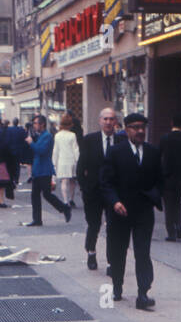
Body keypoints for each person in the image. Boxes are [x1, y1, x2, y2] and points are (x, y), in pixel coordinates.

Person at [100, 112, 163, 310]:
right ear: (126, 130)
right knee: (118, 251)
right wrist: (115, 202)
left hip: (143, 211)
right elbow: (105, 182)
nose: (140, 131)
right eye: (135, 127)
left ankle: (143, 293)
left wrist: (153, 196)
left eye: (143, 127)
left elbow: (160, 179)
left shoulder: (153, 152)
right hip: (120, 211)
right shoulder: (115, 152)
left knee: (143, 252)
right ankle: (117, 286)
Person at [76, 107, 118, 271]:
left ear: (115, 122)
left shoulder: (121, 141)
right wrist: (84, 187)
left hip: (113, 193)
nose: (108, 122)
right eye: (105, 119)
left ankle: (111, 261)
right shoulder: (89, 140)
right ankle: (91, 252)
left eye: (111, 119)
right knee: (94, 224)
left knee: (113, 227)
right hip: (93, 191)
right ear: (100, 121)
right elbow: (81, 167)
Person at [23, 115, 71, 226]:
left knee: (47, 194)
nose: (34, 126)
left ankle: (64, 208)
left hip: (44, 170)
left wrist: (31, 143)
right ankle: (37, 219)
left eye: (36, 123)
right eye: (34, 124)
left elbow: (41, 151)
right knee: (35, 195)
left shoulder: (47, 136)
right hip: (38, 169)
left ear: (42, 124)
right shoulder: (39, 136)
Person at [159, 113, 181, 241]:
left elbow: (159, 155)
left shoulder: (165, 138)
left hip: (167, 176)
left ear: (172, 123)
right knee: (177, 202)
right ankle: (178, 224)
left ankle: (171, 232)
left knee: (168, 204)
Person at [53, 113, 80, 208]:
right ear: (70, 125)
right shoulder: (72, 135)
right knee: (73, 181)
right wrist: (78, 161)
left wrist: (54, 163)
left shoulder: (57, 136)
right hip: (71, 160)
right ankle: (71, 199)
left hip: (62, 161)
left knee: (64, 181)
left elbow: (55, 150)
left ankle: (65, 201)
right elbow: (75, 149)